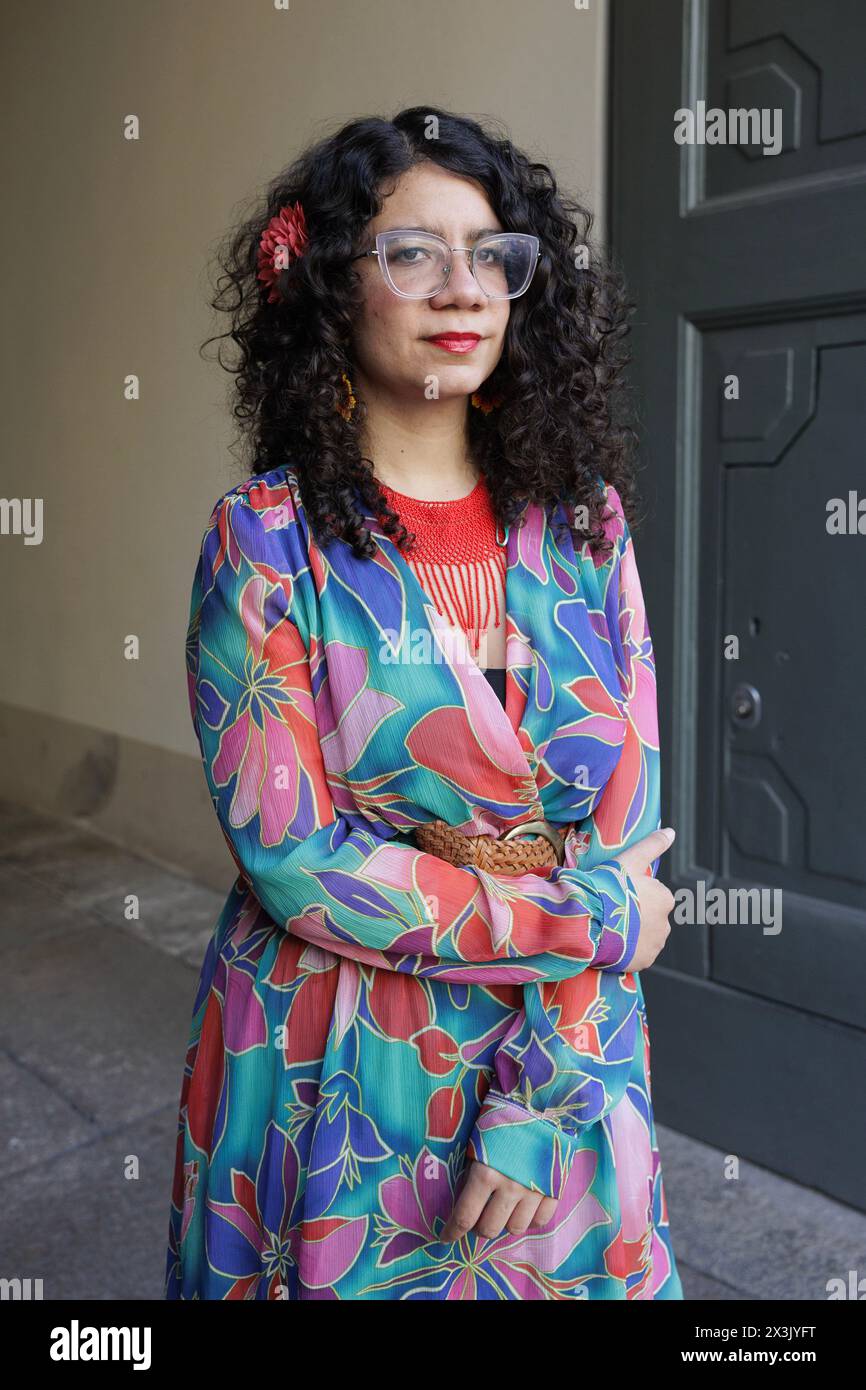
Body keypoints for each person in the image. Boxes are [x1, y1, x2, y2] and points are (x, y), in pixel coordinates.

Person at [164, 105, 683, 1301]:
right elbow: (297, 862)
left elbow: (626, 825)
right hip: (338, 1042)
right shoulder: (265, 543)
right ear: (333, 288)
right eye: (413, 252)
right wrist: (582, 922)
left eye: (492, 254)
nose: (464, 287)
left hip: (560, 1042)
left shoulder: (585, 525)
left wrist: (550, 1083)